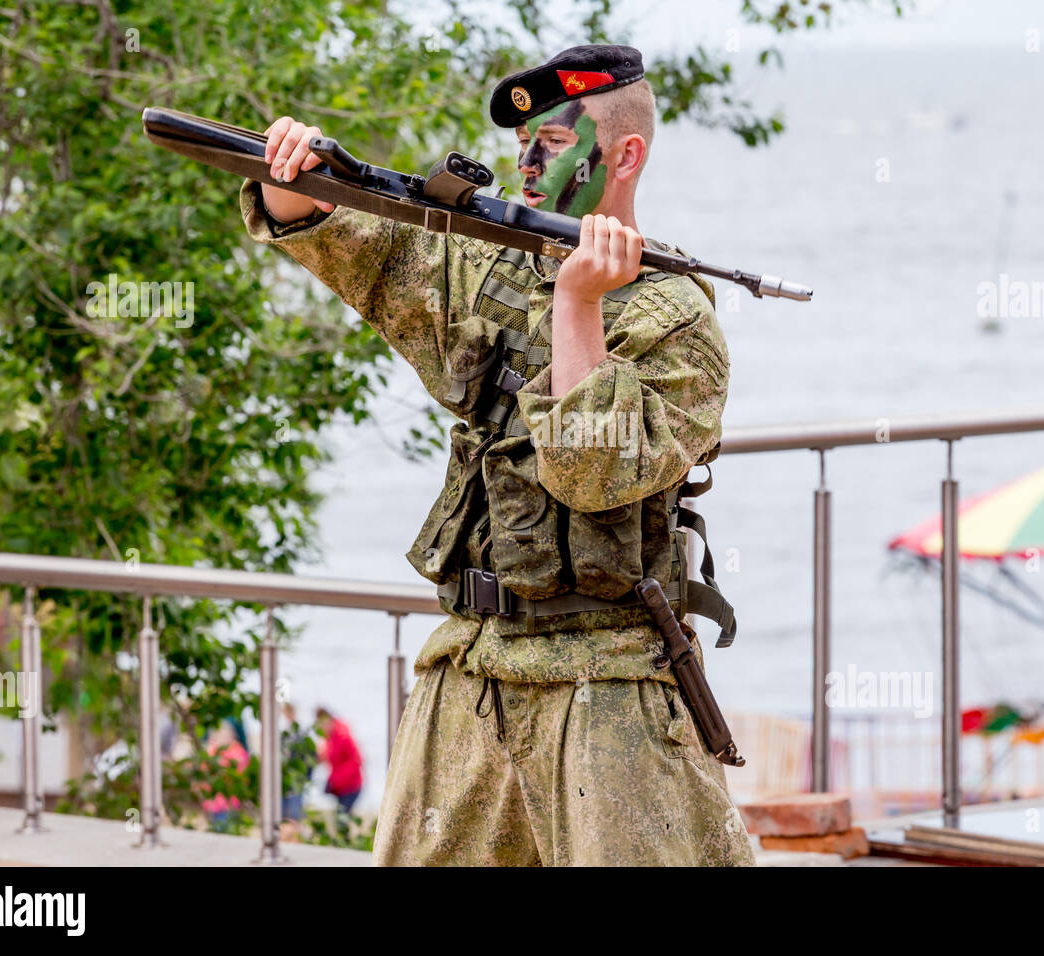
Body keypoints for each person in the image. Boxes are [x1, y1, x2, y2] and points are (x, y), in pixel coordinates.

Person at [239, 44, 751, 866]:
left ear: (624, 154)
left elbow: (593, 473)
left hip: (606, 690)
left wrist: (580, 304)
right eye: (521, 145)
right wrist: (292, 186)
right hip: (471, 671)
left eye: (551, 141)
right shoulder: (492, 268)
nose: (526, 160)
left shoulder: (674, 317)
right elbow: (377, 254)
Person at [315, 707, 363, 814]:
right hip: (340, 787)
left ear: (329, 721)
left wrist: (336, 779)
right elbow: (329, 757)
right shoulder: (329, 738)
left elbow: (357, 761)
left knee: (342, 818)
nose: (322, 728)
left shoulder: (343, 735)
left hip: (351, 785)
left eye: (323, 724)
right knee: (341, 817)